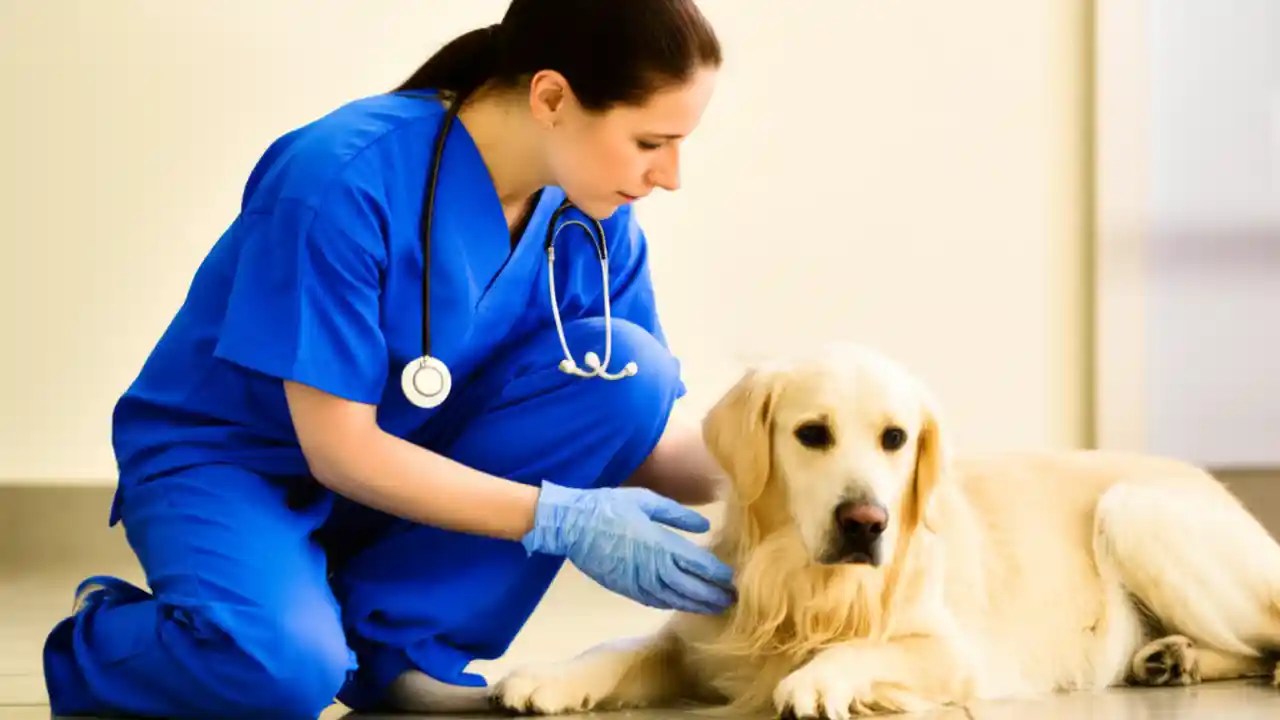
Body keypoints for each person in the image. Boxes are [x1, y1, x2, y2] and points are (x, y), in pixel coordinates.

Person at [41, 2, 735, 718]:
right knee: (276, 672)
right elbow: (340, 451)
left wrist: (792, 447)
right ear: (552, 97)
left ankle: (394, 652)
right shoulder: (340, 177)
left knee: (633, 374)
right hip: (240, 463)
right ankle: (109, 647)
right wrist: (560, 517)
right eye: (651, 141)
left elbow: (639, 434)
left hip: (413, 461)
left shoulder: (592, 215)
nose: (671, 175)